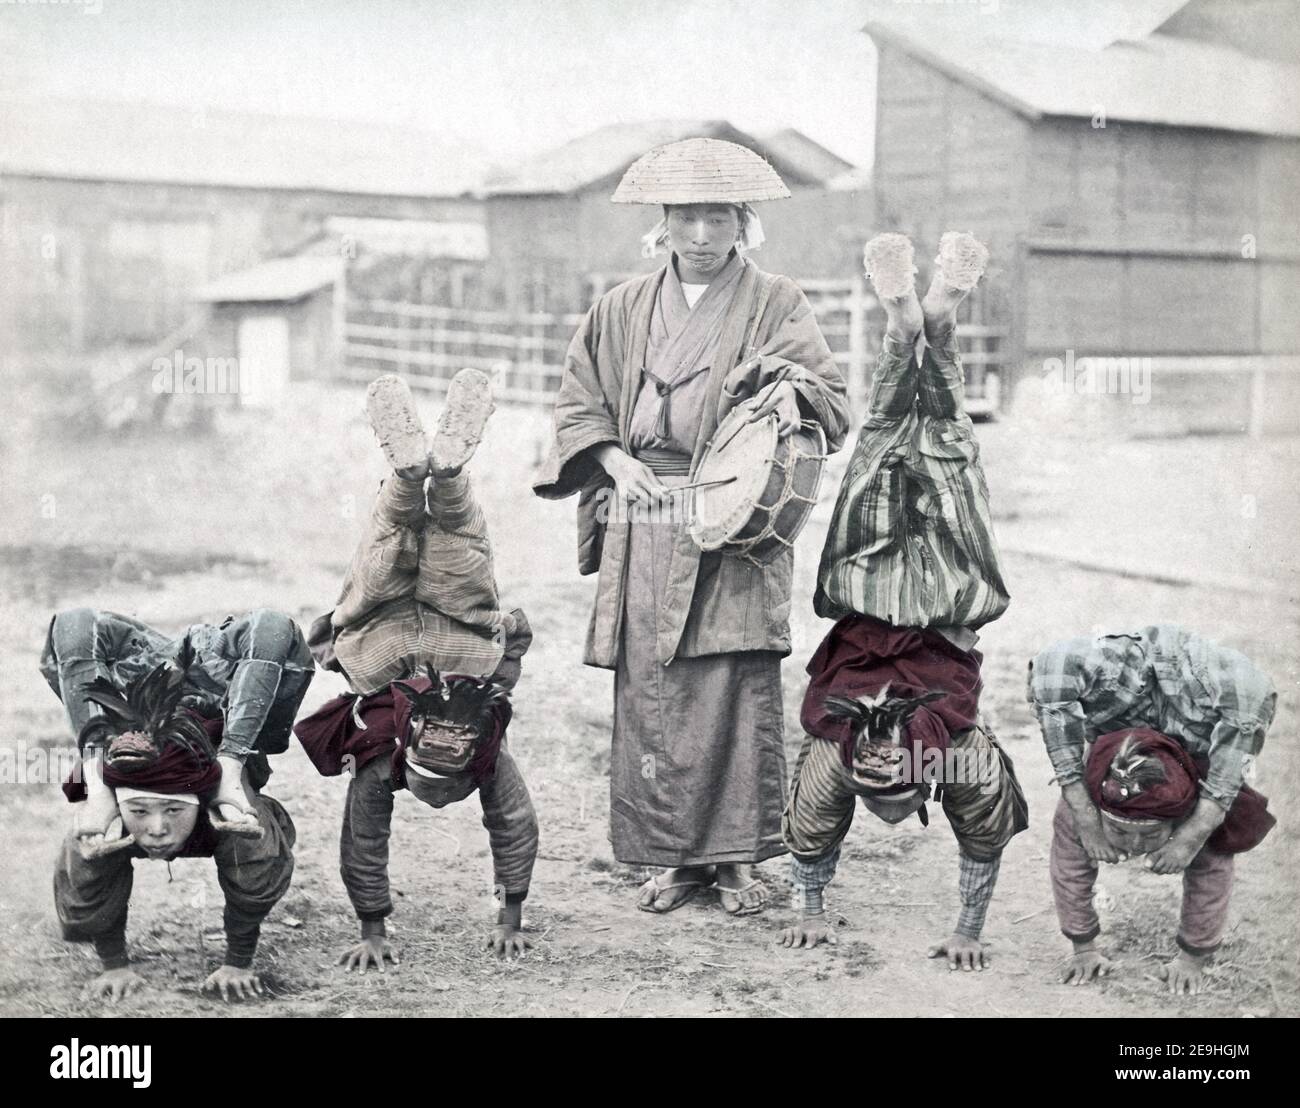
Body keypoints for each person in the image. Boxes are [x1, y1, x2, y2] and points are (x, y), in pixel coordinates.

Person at [533, 137, 851, 915]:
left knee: (733, 685)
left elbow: (832, 402)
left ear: (743, 223)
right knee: (656, 690)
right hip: (645, 515)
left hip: (735, 524)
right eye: (686, 218)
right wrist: (610, 459)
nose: (702, 236)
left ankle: (737, 859)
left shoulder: (776, 302)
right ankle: (672, 861)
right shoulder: (619, 308)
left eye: (718, 218)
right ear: (662, 224)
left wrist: (784, 390)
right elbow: (580, 403)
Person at [781, 233, 1026, 967]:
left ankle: (917, 326)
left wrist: (813, 909)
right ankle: (925, 324)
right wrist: (967, 930)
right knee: (897, 446)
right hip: (931, 602)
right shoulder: (953, 759)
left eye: (880, 799)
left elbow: (806, 833)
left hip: (886, 595)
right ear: (923, 781)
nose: (887, 807)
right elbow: (984, 834)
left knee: (941, 452)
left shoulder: (848, 758)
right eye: (896, 800)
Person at [296, 371, 538, 966]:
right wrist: (510, 916)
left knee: (459, 552)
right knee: (382, 555)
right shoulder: (473, 757)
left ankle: (437, 484)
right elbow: (512, 826)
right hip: (383, 645)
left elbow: (365, 840)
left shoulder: (404, 757)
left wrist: (373, 929)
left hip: (447, 647)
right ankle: (418, 485)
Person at [1028, 626, 1277, 994]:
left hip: (1200, 716)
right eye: (1125, 833)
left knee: (1215, 836)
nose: (1136, 847)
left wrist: (1193, 956)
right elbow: (1069, 865)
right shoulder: (1085, 677)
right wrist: (1083, 947)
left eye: (1149, 835)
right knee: (1073, 818)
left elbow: (1213, 827)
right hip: (1123, 710)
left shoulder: (1233, 690)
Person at [51, 652, 298, 1002]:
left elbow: (257, 879)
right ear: (120, 805)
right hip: (124, 803)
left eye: (172, 810)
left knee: (253, 845)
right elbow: (88, 884)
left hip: (215, 801)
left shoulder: (230, 815)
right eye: (139, 810)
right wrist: (113, 966)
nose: (156, 828)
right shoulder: (109, 819)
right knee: (87, 852)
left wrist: (238, 964)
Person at [40, 605, 314, 846]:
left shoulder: (225, 685)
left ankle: (229, 772)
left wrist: (231, 761)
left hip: (226, 730)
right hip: (149, 711)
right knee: (73, 621)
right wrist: (99, 786)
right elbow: (73, 628)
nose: (157, 830)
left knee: (271, 626)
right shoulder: (129, 731)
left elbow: (274, 631)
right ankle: (100, 788)